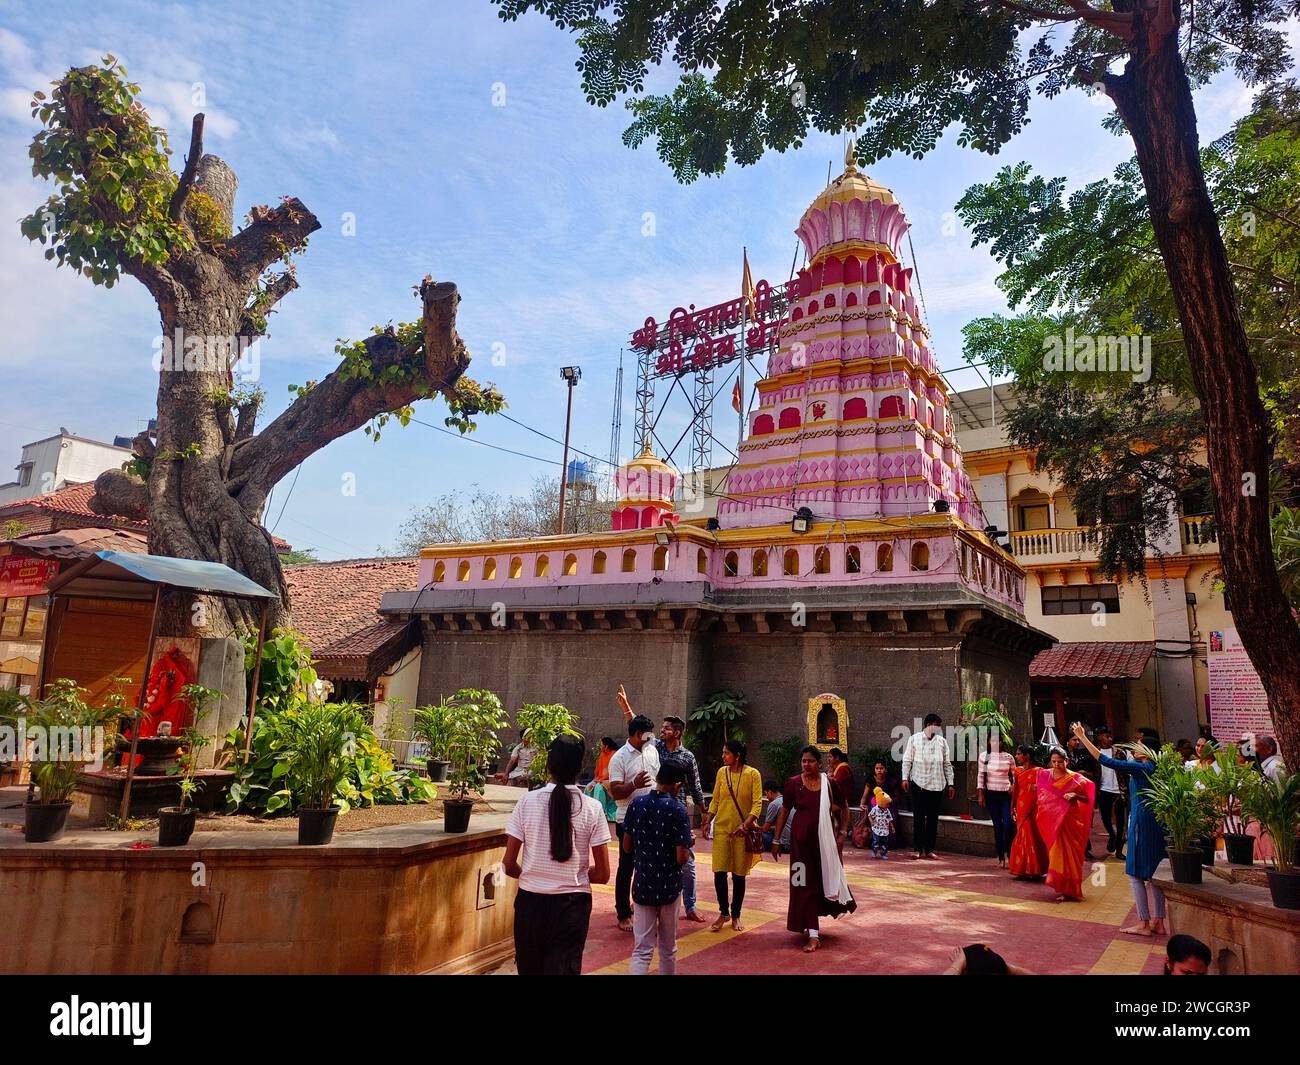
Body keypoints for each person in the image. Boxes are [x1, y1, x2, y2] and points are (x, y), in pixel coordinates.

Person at [503, 735, 611, 975]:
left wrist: (533, 873)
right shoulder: (593, 808)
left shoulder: (526, 802)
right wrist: (573, 874)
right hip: (572, 906)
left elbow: (509, 865)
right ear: (580, 769)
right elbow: (603, 874)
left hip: (530, 903)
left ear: (547, 766)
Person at [616, 685, 707, 924]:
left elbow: (696, 786)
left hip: (676, 814)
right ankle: (646, 901)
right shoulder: (653, 747)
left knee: (686, 863)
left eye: (667, 728)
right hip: (652, 811)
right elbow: (638, 728)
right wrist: (626, 707)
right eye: (662, 728)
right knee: (649, 859)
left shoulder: (687, 756)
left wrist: (704, 815)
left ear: (677, 733)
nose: (662, 730)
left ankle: (690, 905)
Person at [1071, 722, 1167, 937]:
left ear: (1147, 752)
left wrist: (1083, 738)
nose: (1134, 748)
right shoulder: (1160, 768)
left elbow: (1106, 760)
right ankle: (1159, 921)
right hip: (1157, 823)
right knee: (1154, 876)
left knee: (1134, 874)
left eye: (1139, 746)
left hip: (1142, 822)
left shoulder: (1142, 768)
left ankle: (1143, 923)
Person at [772, 746, 856, 952]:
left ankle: (813, 932)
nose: (806, 764)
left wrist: (843, 833)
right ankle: (811, 929)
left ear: (819, 763)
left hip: (823, 845)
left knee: (818, 883)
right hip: (800, 845)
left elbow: (844, 808)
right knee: (801, 884)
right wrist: (775, 839)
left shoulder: (831, 784)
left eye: (810, 761)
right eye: (803, 761)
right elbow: (784, 811)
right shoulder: (793, 784)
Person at [622, 759, 692, 975]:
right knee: (668, 948)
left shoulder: (637, 804)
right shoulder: (678, 811)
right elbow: (682, 858)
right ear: (677, 785)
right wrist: (688, 844)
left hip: (643, 883)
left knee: (641, 950)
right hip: (669, 886)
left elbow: (626, 846)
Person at [702, 738, 763, 931]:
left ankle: (736, 915)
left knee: (738, 875)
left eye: (726, 753)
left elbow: (757, 804)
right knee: (719, 872)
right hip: (721, 829)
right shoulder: (722, 773)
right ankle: (723, 913)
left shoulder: (753, 774)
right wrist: (707, 819)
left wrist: (745, 825)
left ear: (737, 756)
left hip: (741, 833)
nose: (723, 757)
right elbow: (716, 799)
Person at [607, 712, 661, 932]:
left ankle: (641, 903)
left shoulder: (652, 751)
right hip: (628, 820)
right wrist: (634, 784)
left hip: (652, 817)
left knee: (648, 864)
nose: (652, 736)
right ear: (638, 734)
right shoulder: (619, 758)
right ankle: (622, 912)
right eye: (648, 733)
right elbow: (616, 792)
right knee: (627, 865)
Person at [1035, 746, 1096, 901]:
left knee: (1072, 856)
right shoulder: (1045, 776)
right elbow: (1041, 796)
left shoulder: (1077, 778)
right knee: (1057, 854)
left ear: (1067, 761)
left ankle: (1072, 889)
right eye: (1054, 762)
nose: (1056, 765)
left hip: (1071, 821)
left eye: (1060, 762)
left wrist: (1076, 795)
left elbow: (1088, 799)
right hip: (1053, 822)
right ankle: (1062, 887)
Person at [901, 713, 954, 860]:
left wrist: (951, 784)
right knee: (918, 818)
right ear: (928, 725)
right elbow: (907, 760)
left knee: (932, 819)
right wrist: (904, 778)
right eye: (937, 725)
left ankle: (929, 849)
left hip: (937, 785)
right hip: (918, 783)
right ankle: (917, 849)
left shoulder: (942, 742)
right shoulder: (914, 739)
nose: (939, 728)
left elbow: (947, 764)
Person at [977, 730, 1016, 867]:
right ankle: (1001, 857)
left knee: (1008, 825)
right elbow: (981, 775)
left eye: (998, 741)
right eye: (992, 740)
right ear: (988, 741)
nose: (995, 743)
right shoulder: (984, 756)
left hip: (1006, 794)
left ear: (1002, 742)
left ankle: (1011, 856)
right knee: (998, 826)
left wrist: (1013, 786)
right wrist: (980, 794)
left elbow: (1015, 775)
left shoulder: (1009, 757)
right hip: (991, 794)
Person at [1008, 745, 1047, 880]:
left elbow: (1047, 789)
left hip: (1034, 808)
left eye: (1019, 754)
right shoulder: (1018, 771)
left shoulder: (1040, 771)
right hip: (1021, 807)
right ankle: (1023, 869)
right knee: (1023, 836)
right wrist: (1012, 806)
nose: (1017, 756)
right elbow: (1015, 791)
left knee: (1034, 837)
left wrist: (1037, 787)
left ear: (1027, 756)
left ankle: (1034, 870)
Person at [1094, 726, 1127, 859]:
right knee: (1105, 817)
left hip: (1118, 790)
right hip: (1103, 789)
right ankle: (1111, 835)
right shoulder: (1096, 752)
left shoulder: (1119, 752)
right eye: (1106, 736)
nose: (1109, 739)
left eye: (1110, 736)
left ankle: (1119, 849)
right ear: (1099, 737)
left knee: (1120, 821)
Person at [941, 943, 1033, 975]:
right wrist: (1003, 966)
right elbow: (1016, 970)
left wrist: (957, 964)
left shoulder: (960, 968)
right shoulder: (999, 968)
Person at [761, 779, 791, 852]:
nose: (767, 797)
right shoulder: (788, 800)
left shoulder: (774, 804)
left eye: (766, 794)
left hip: (782, 844)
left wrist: (755, 828)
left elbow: (765, 829)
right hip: (792, 843)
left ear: (770, 792)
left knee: (758, 835)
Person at [829, 748, 855, 824]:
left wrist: (830, 775)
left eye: (830, 757)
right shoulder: (839, 768)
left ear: (837, 758)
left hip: (843, 801)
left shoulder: (843, 768)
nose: (829, 759)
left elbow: (835, 784)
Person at [868, 789, 895, 859]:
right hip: (876, 828)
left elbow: (890, 819)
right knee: (875, 842)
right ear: (882, 803)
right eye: (887, 804)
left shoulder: (887, 810)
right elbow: (870, 815)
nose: (888, 805)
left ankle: (883, 853)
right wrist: (871, 822)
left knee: (884, 843)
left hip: (885, 829)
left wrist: (892, 827)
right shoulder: (875, 809)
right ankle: (874, 852)